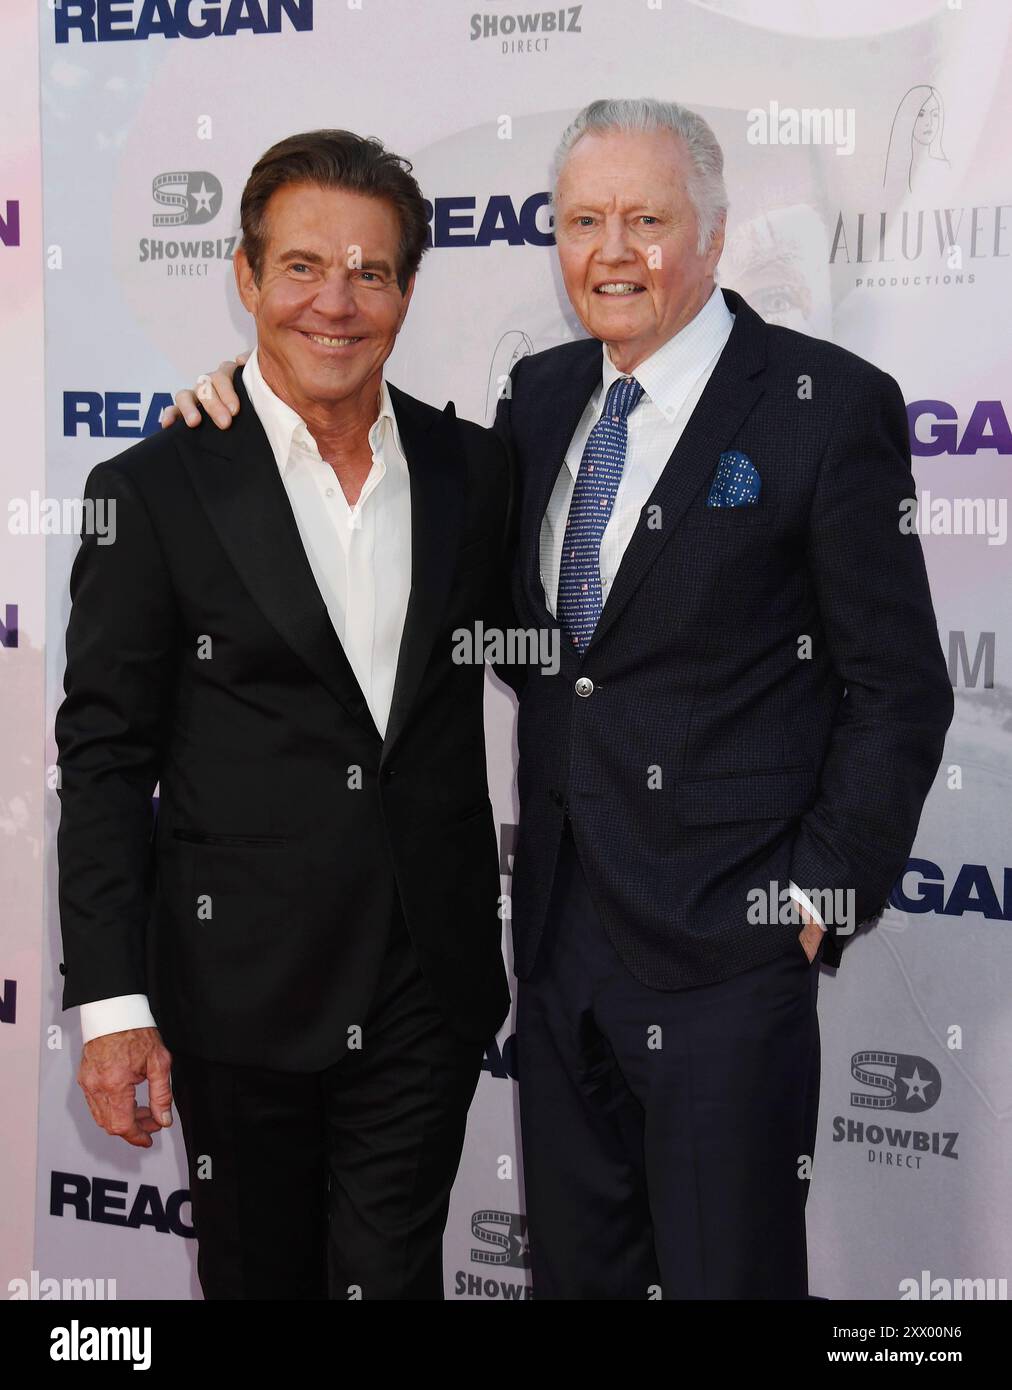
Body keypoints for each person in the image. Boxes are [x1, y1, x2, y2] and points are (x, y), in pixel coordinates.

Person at [166, 99, 954, 1300]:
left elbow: (898, 688)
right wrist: (243, 406)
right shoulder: (536, 400)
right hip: (557, 944)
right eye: (585, 220)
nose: (614, 251)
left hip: (727, 952)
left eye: (647, 218)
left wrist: (816, 894)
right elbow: (454, 586)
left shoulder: (823, 405)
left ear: (715, 230)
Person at [55, 129, 515, 1301]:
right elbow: (106, 757)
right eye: (303, 267)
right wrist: (112, 1005)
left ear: (409, 290)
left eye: (370, 272)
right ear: (247, 278)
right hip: (236, 986)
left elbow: (571, 652)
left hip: (426, 978)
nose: (337, 302)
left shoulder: (476, 471)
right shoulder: (153, 491)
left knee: (391, 1276)